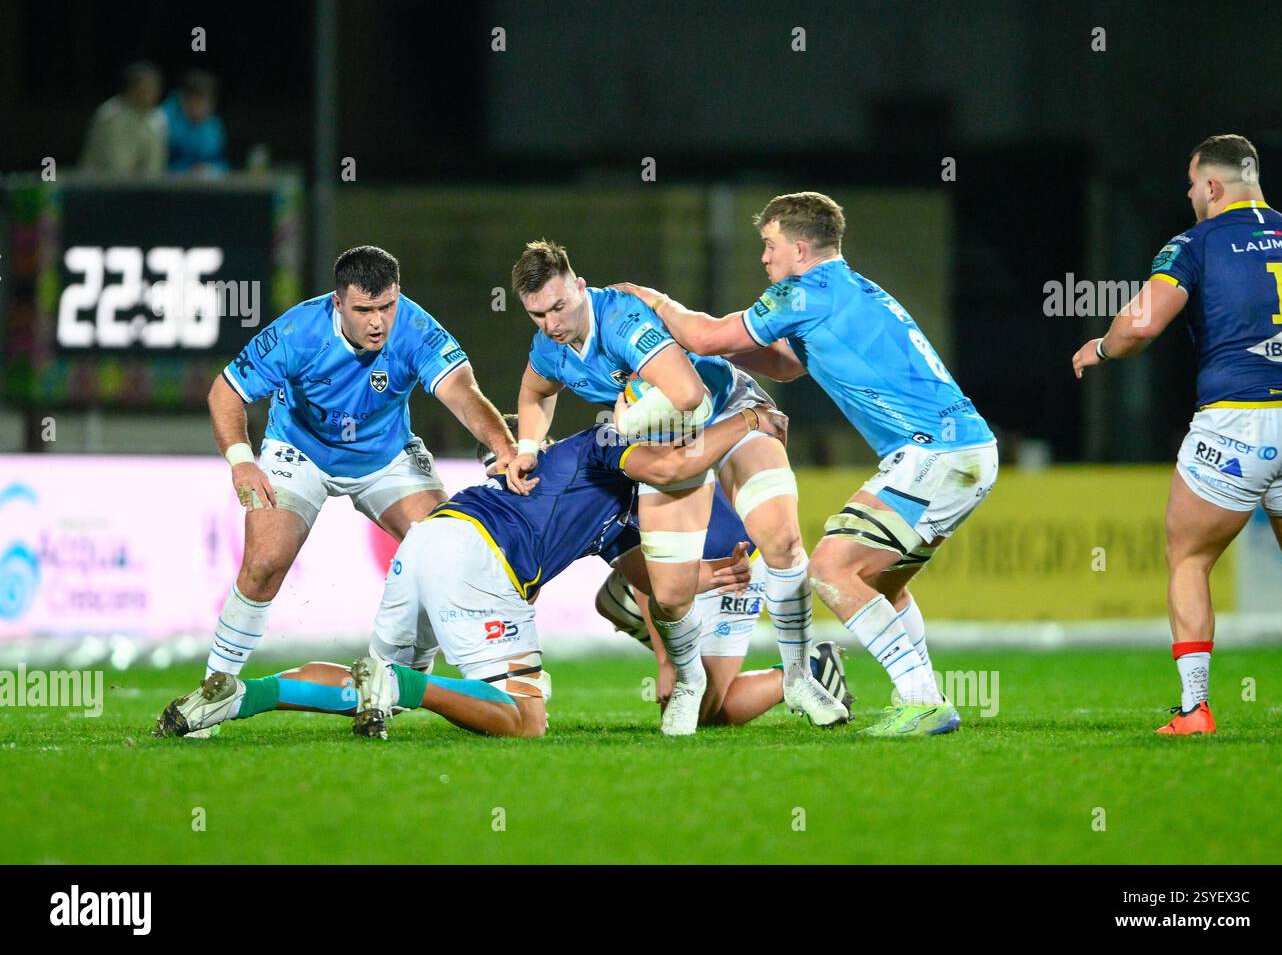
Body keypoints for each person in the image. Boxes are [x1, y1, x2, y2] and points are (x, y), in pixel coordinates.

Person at [154, 407, 788, 740]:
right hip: (481, 555)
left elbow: (640, 578)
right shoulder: (611, 446)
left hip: (433, 539)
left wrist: (701, 579)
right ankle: (404, 685)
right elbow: (679, 457)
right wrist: (750, 421)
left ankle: (240, 697)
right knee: (525, 716)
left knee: (363, 689)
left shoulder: (627, 511)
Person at [615, 191, 998, 736]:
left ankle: (923, 702)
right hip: (963, 452)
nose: (764, 259)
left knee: (831, 569)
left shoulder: (806, 292)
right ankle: (924, 699)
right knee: (881, 585)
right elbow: (786, 365)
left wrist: (656, 304)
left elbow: (704, 333)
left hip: (933, 452)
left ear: (799, 248)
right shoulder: (848, 289)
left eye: (769, 246)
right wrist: (707, 353)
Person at [507, 240, 847, 736]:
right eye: (538, 314)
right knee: (668, 591)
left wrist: (627, 415)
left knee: (783, 539)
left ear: (580, 287)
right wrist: (529, 445)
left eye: (559, 306)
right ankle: (689, 679)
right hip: (666, 440)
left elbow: (689, 395)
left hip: (728, 409)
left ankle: (798, 675)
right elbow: (534, 392)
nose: (552, 323)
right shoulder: (550, 346)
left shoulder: (622, 319)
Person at [204, 245, 516, 688]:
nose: (377, 322)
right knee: (264, 563)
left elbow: (463, 393)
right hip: (300, 451)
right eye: (364, 309)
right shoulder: (299, 331)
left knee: (445, 555)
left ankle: (399, 686)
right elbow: (226, 391)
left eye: (387, 307)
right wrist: (241, 460)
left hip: (386, 456)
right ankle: (214, 688)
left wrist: (503, 445)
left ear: (398, 295)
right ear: (338, 303)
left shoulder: (416, 329)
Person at [1071, 134, 1282, 735]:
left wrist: (1101, 346)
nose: (1191, 195)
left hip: (1238, 419)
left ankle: (1195, 708)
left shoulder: (1194, 243)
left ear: (1214, 187)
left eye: (1193, 185)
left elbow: (1140, 326)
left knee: (1190, 556)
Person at [596, 481, 855, 726]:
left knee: (695, 712)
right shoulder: (598, 477)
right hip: (690, 561)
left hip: (731, 563)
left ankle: (811, 668)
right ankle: (693, 659)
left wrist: (667, 663)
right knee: (612, 602)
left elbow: (654, 580)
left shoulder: (600, 488)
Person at [79, 61, 167, 177]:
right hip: (99, 184)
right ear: (131, 89)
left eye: (153, 88)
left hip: (140, 187)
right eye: (144, 88)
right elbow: (117, 167)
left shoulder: (158, 118)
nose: (150, 93)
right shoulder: (111, 115)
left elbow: (155, 165)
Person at [162, 70, 228, 175]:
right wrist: (186, 171)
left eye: (205, 101)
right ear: (183, 99)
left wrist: (212, 169)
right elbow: (159, 164)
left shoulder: (214, 125)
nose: (199, 107)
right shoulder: (162, 121)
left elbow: (221, 162)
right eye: (195, 101)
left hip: (201, 184)